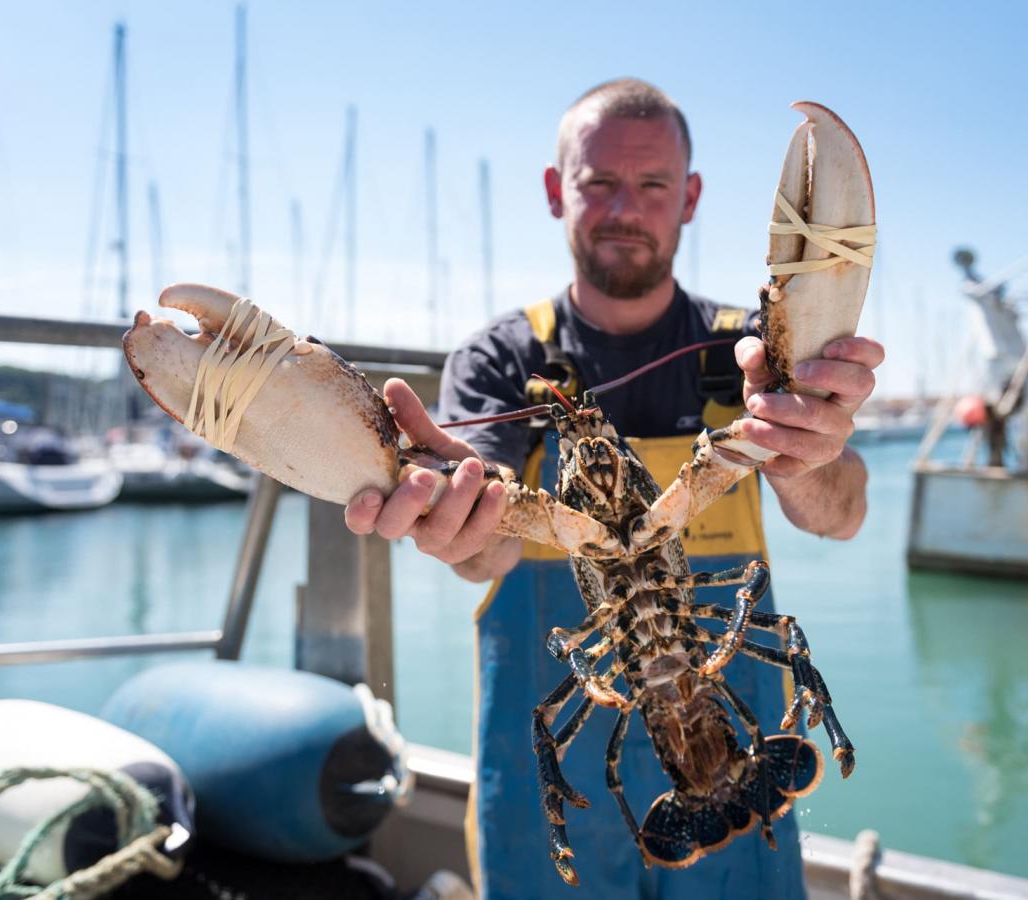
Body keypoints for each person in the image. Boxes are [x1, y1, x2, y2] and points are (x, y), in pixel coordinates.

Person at [346, 78, 883, 899]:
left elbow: (843, 516)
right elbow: (482, 539)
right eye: (599, 183)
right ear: (559, 191)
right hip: (569, 785)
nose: (625, 208)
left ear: (690, 198)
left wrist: (810, 452)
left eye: (653, 184)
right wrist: (457, 519)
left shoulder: (752, 355)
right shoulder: (502, 361)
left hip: (737, 736)